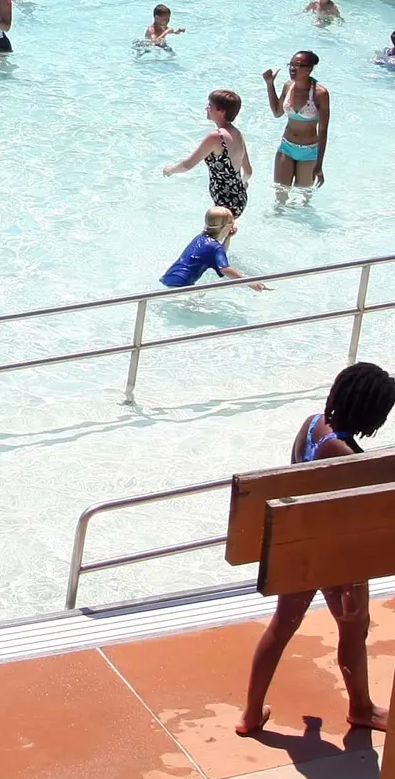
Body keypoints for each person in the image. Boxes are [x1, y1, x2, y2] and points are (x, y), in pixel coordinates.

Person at [237, 362, 395, 738]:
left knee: (281, 627)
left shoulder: (311, 425)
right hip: (332, 555)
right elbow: (358, 522)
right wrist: (351, 583)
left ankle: (251, 713)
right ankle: (361, 707)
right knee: (354, 629)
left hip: (297, 546)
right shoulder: (348, 457)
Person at [163, 90, 252, 217]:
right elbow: (248, 171)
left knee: (210, 236)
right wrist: (242, 185)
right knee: (223, 236)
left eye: (210, 105)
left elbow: (188, 165)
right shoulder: (237, 134)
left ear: (221, 111)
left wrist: (170, 170)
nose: (206, 108)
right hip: (239, 199)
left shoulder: (216, 137)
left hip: (224, 204)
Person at [264, 51, 329, 192]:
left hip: (309, 151)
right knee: (280, 194)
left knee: (302, 197)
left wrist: (319, 163)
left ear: (309, 69)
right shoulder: (288, 86)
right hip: (286, 147)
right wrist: (270, 84)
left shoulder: (320, 94)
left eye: (298, 65)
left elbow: (323, 130)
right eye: (291, 65)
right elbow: (277, 112)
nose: (293, 69)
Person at [160, 206, 265, 290]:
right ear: (227, 227)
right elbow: (225, 269)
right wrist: (249, 282)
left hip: (169, 278)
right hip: (181, 285)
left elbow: (219, 255)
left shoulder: (201, 237)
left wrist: (228, 238)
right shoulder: (214, 247)